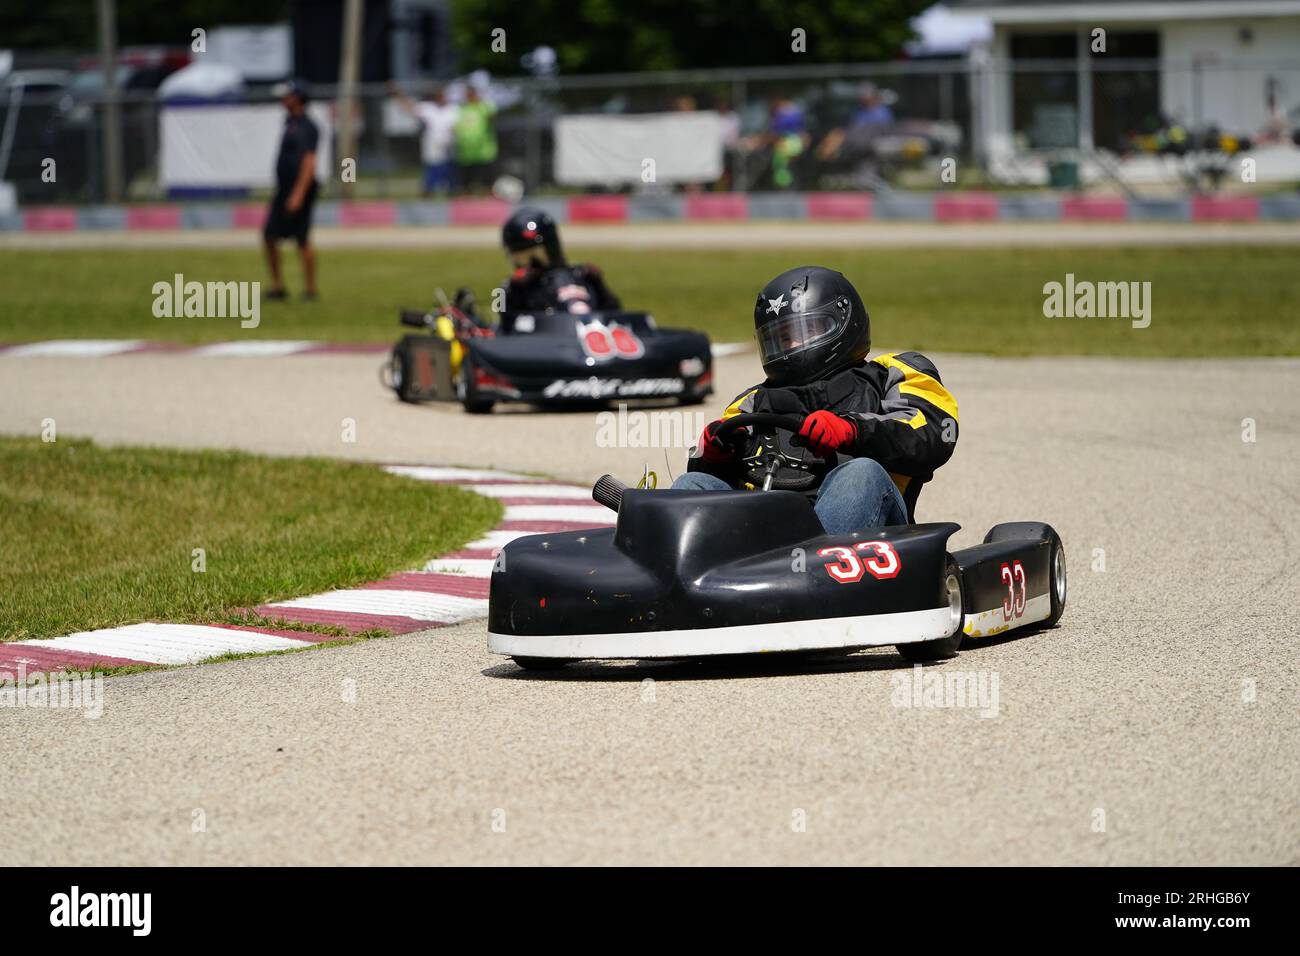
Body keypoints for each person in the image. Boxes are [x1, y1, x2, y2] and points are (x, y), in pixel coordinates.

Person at [674, 266, 959, 534]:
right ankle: (667, 581)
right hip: (765, 534)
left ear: (843, 322)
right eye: (781, 339)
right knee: (692, 484)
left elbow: (933, 432)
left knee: (860, 473)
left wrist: (852, 430)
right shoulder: (751, 402)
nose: (791, 346)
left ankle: (818, 574)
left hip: (870, 543)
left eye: (804, 331)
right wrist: (713, 456)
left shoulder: (892, 375)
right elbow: (716, 480)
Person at [497, 206, 620, 327]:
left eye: (539, 255)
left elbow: (616, 314)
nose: (534, 264)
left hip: (589, 334)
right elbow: (503, 321)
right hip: (546, 339)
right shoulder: (510, 288)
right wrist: (513, 289)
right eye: (523, 258)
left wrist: (599, 285)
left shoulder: (581, 275)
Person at [263, 79, 319, 301]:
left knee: (302, 239)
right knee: (269, 236)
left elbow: (309, 161)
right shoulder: (290, 123)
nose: (283, 100)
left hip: (298, 190)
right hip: (284, 188)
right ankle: (277, 286)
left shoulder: (307, 126)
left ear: (297, 98)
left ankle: (310, 289)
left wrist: (298, 193)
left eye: (287, 96)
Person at [389, 83, 457, 195]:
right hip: (433, 144)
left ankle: (451, 190)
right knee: (433, 167)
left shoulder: (453, 109)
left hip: (449, 145)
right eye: (439, 95)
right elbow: (411, 108)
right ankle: (428, 189)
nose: (441, 98)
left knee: (448, 168)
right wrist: (399, 95)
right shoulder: (429, 108)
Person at [454, 86, 498, 194]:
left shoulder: (484, 106)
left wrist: (481, 103)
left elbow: (492, 115)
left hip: (484, 150)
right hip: (466, 151)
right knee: (467, 177)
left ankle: (488, 192)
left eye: (472, 94)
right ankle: (466, 193)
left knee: (486, 175)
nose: (470, 97)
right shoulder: (462, 109)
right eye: (468, 95)